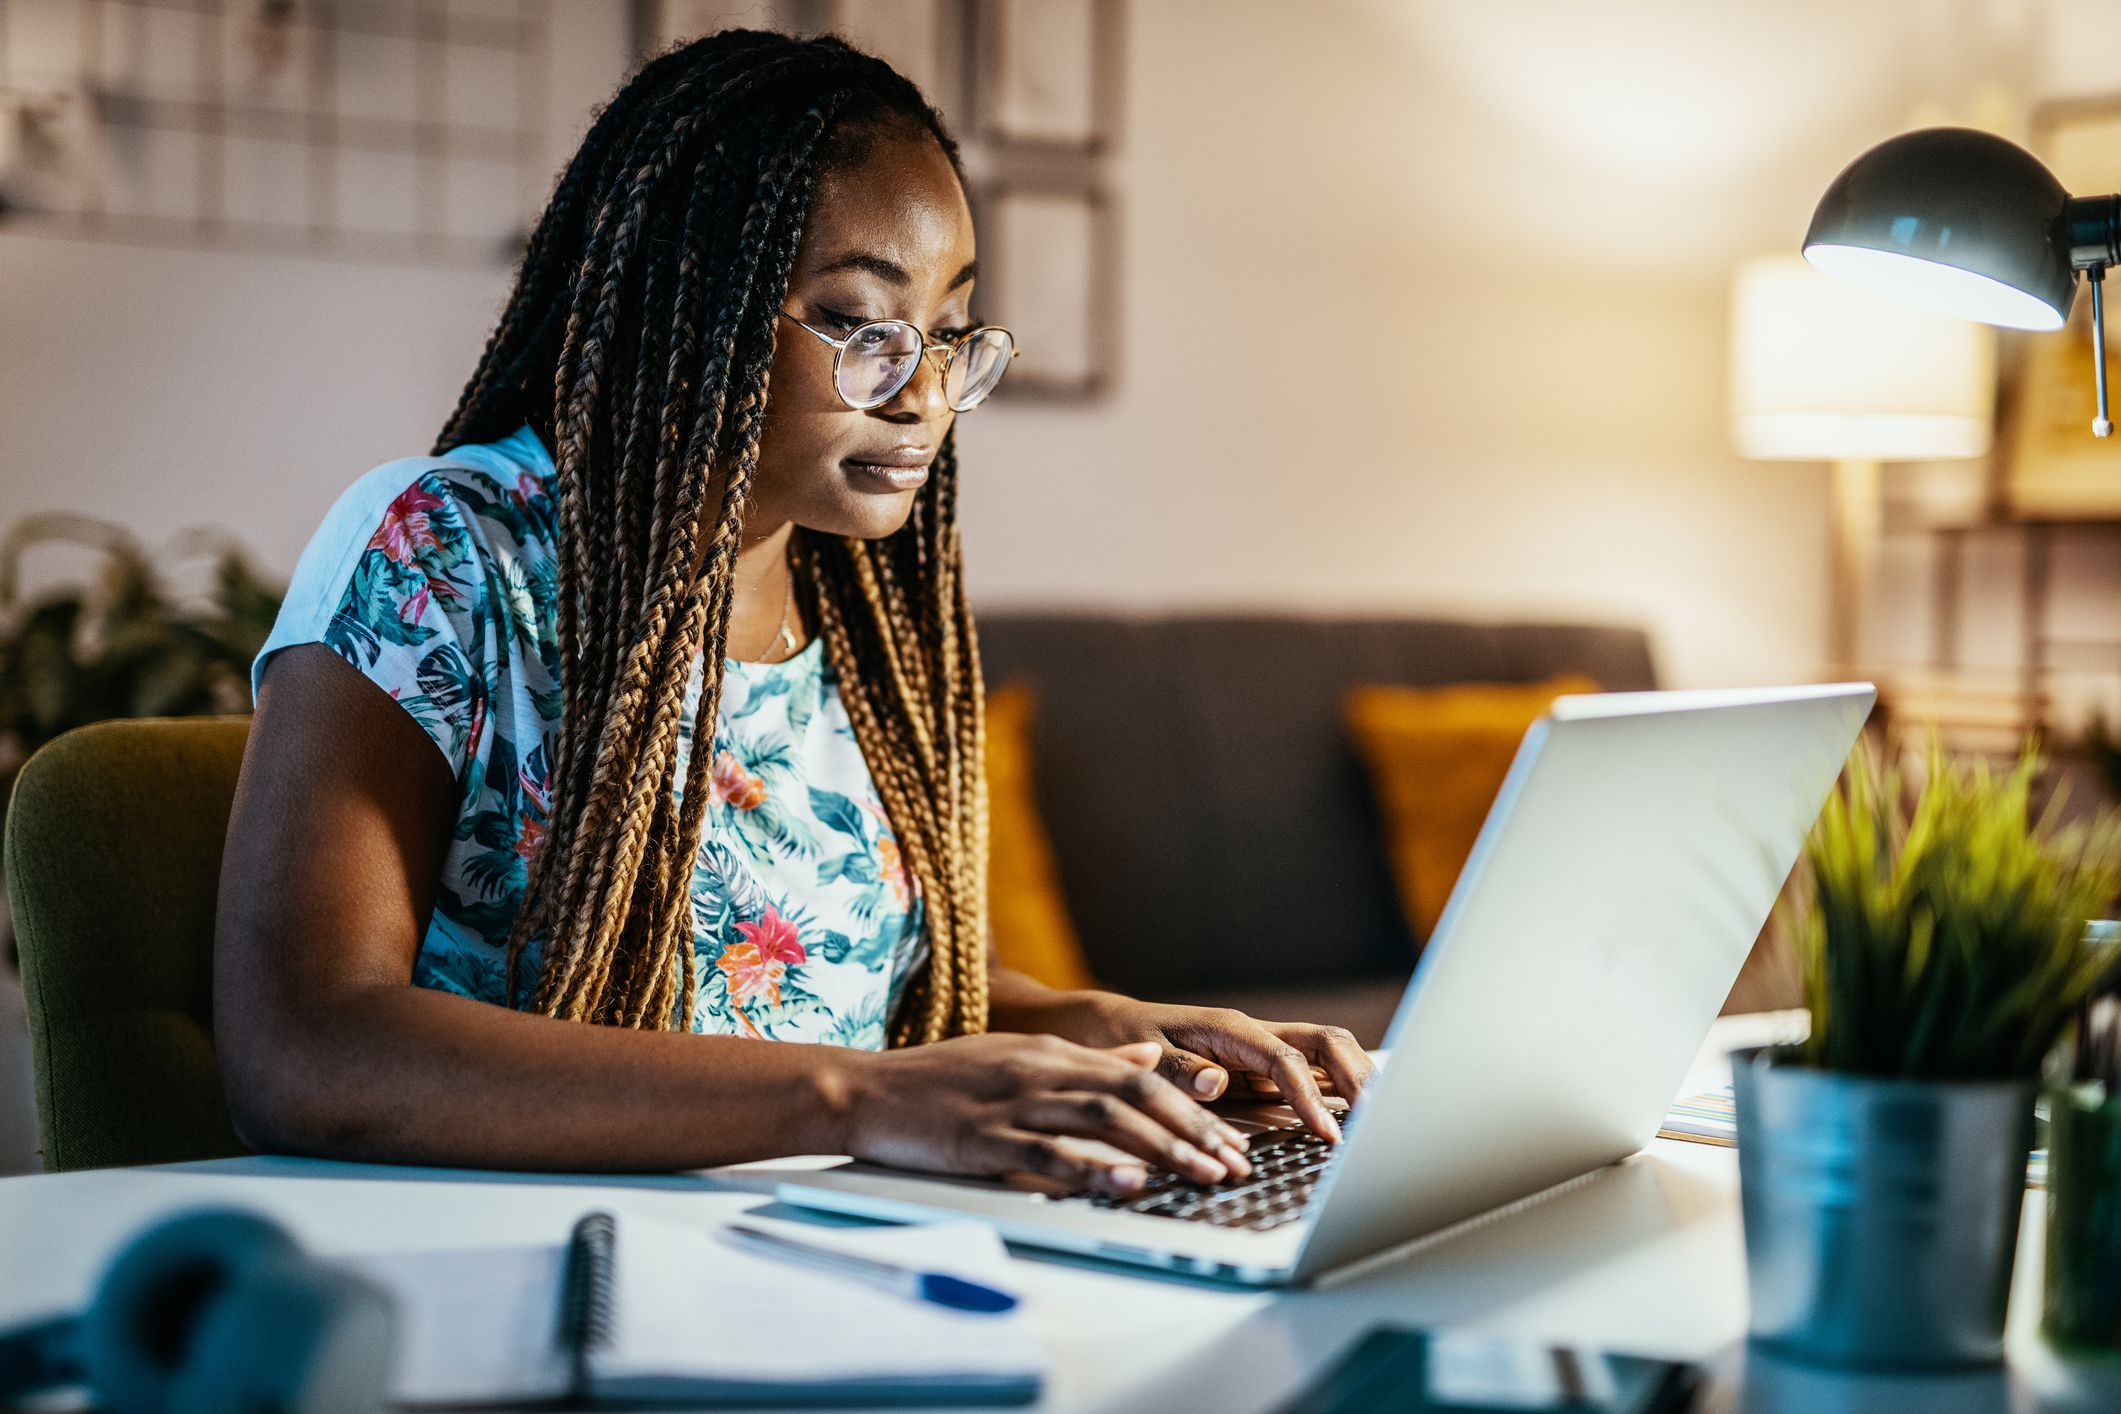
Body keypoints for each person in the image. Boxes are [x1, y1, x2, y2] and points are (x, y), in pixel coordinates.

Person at [215, 29, 1372, 1196]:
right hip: (542, 1241)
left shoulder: (873, 618)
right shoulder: (446, 551)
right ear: (691, 308)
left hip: (827, 1234)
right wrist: (852, 1098)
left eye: (948, 331)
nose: (925, 395)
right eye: (864, 327)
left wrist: (1108, 1032)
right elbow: (306, 1048)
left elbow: (884, 999)